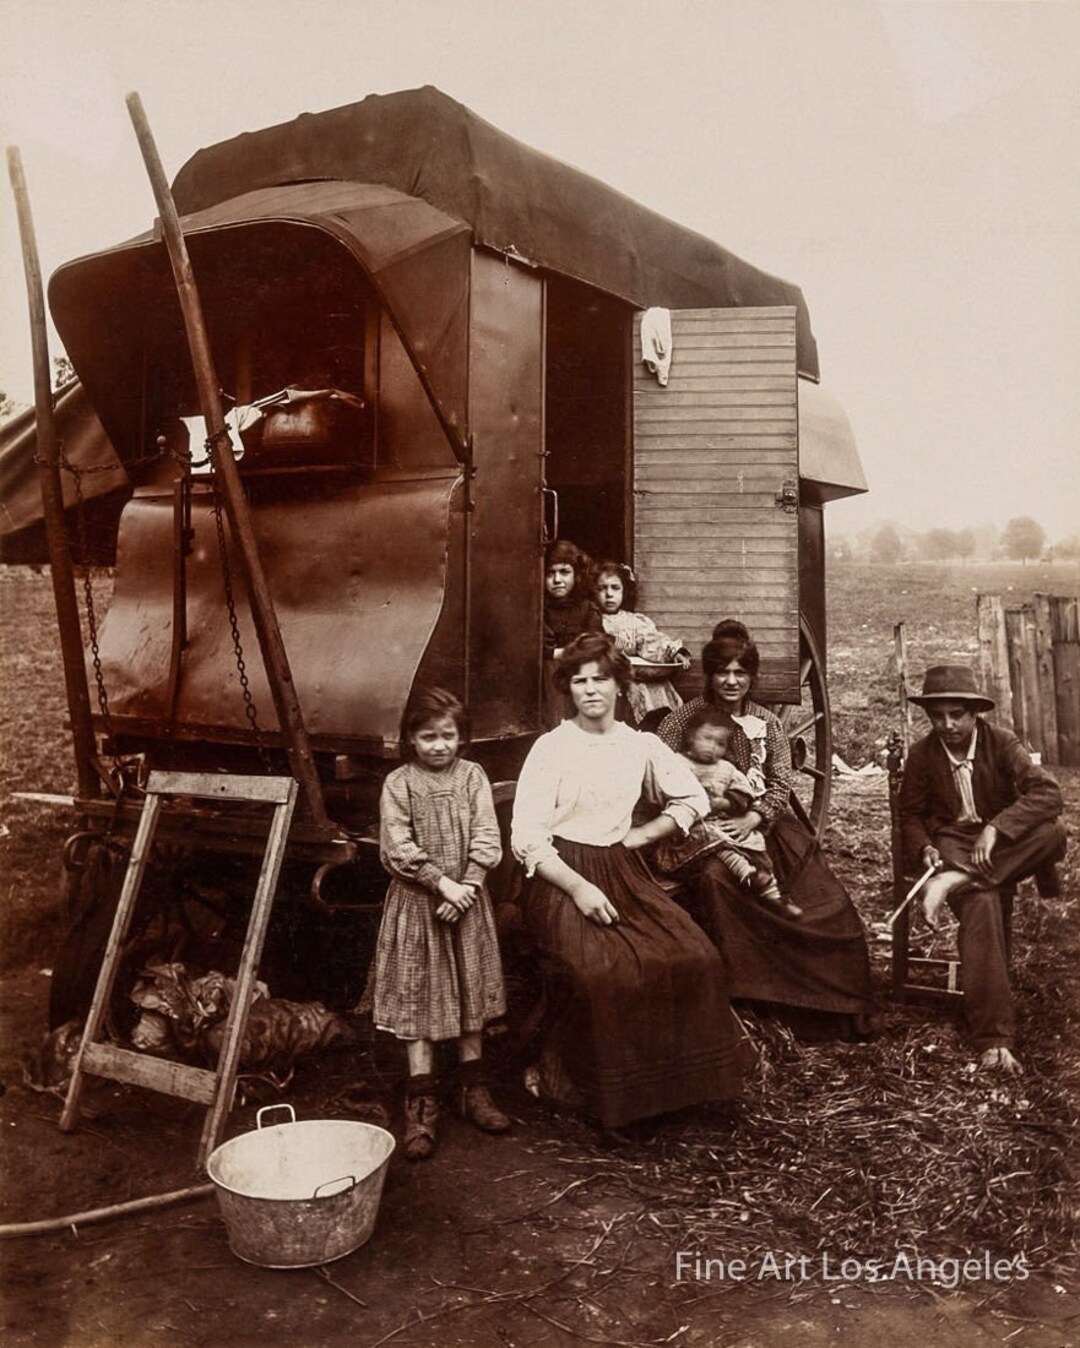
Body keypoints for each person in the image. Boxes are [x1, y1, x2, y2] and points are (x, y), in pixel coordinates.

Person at [510, 632, 744, 1128]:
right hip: (557, 875)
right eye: (579, 681)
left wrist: (639, 837)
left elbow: (692, 801)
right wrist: (577, 887)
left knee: (695, 955)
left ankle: (681, 1091)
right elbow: (527, 836)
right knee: (601, 970)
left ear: (621, 685)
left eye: (601, 679)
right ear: (568, 689)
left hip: (621, 868)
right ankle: (600, 1091)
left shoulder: (640, 745)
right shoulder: (551, 748)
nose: (591, 690)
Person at [660, 620, 876, 1034]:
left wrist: (754, 816)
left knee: (826, 902)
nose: (731, 681)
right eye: (722, 672)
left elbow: (780, 783)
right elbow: (655, 772)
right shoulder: (683, 719)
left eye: (740, 673)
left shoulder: (767, 723)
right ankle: (751, 999)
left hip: (765, 829)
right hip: (702, 832)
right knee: (719, 882)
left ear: (752, 677)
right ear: (709, 674)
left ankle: (821, 1009)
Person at [899, 665, 1067, 1075]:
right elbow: (910, 816)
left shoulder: (1002, 743)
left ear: (975, 713)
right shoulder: (922, 755)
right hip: (953, 844)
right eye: (938, 716)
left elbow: (1048, 794)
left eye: (957, 714)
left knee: (1054, 833)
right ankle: (993, 1039)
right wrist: (923, 847)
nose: (948, 724)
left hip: (998, 843)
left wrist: (997, 827)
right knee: (983, 902)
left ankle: (955, 881)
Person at [370, 687, 510, 1161]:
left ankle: (473, 1091)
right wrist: (439, 884)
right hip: (418, 907)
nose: (438, 745)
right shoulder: (399, 783)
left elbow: (489, 834)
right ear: (411, 738)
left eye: (447, 736)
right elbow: (396, 844)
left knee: (471, 993)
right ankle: (422, 1102)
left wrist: (467, 885)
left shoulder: (473, 777)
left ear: (461, 738)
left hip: (467, 903)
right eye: (428, 736)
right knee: (418, 998)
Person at [655, 704, 803, 920]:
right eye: (706, 739)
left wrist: (724, 803)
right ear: (690, 737)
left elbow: (742, 795)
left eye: (720, 743)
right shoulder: (677, 763)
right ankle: (745, 872)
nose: (712, 748)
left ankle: (772, 892)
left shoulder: (726, 769)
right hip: (688, 826)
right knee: (711, 837)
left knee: (752, 840)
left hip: (720, 821)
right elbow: (660, 791)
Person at [592, 559, 690, 726]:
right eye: (602, 589)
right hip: (611, 676)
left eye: (615, 588)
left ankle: (661, 729)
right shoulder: (593, 619)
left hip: (638, 675)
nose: (609, 594)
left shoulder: (634, 621)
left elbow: (651, 641)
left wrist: (674, 652)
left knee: (657, 688)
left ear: (624, 591)